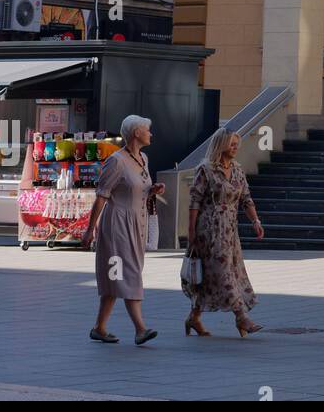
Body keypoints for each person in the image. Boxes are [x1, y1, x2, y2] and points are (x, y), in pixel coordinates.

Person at [82, 115, 163, 346]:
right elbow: (102, 196)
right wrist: (90, 230)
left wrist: (153, 189)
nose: (151, 134)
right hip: (117, 225)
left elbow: (138, 188)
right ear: (136, 133)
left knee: (116, 276)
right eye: (147, 130)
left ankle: (99, 328)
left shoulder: (143, 158)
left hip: (136, 223)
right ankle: (140, 329)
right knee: (129, 273)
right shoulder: (116, 161)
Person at [183, 128, 264, 337]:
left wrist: (255, 220)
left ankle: (194, 318)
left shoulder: (237, 170)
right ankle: (241, 316)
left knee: (217, 275)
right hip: (209, 231)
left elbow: (246, 198)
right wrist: (191, 233)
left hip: (230, 231)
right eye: (231, 144)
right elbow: (194, 202)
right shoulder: (206, 170)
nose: (235, 148)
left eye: (237, 144)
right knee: (224, 272)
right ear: (221, 145)